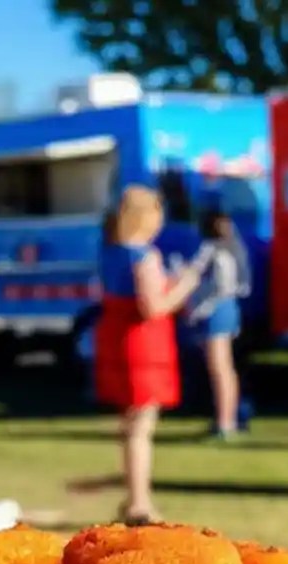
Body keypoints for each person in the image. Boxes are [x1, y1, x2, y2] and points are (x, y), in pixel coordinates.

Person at [94, 186, 200, 524]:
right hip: (143, 344)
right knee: (141, 426)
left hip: (115, 337)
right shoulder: (144, 256)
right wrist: (184, 286)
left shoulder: (109, 252)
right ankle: (140, 501)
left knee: (128, 424)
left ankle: (133, 497)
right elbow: (153, 307)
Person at [186, 207, 250, 440]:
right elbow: (243, 285)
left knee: (219, 367)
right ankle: (227, 419)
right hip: (229, 307)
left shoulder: (211, 249)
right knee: (224, 367)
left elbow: (196, 274)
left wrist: (196, 304)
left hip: (215, 309)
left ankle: (225, 422)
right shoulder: (236, 248)